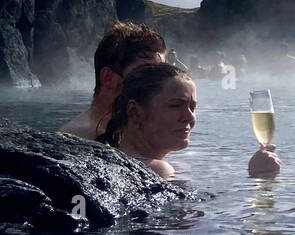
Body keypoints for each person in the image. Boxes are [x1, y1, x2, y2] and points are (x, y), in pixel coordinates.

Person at [98, 63, 279, 178]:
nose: (189, 116)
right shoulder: (157, 170)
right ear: (135, 112)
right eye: (176, 105)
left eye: (193, 107)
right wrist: (259, 178)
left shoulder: (112, 157)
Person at [60, 21, 165, 141]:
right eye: (145, 74)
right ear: (108, 78)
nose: (157, 84)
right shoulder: (76, 138)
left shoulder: (134, 136)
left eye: (160, 75)